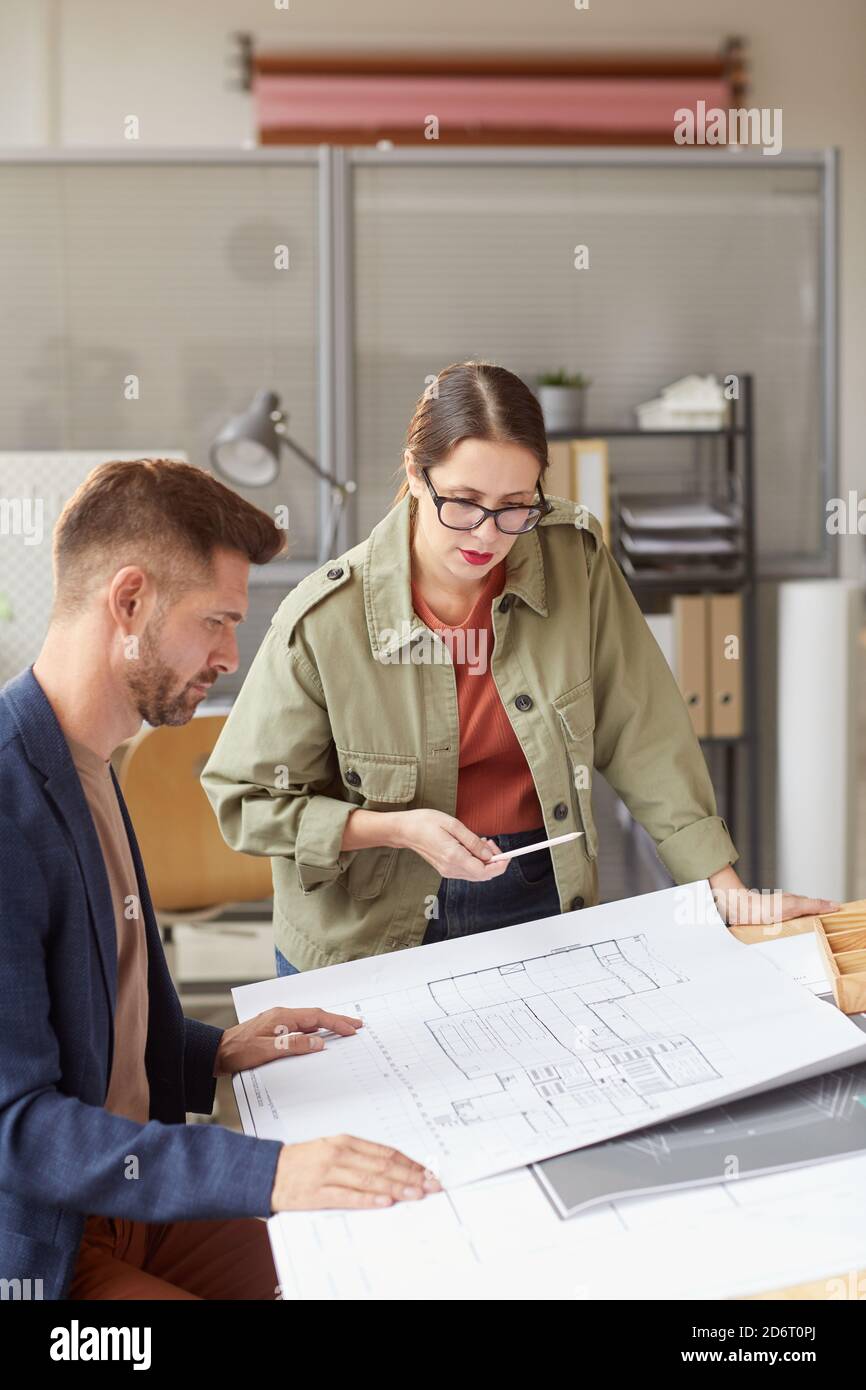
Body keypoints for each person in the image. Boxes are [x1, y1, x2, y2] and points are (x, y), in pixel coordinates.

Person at [201, 361, 838, 980]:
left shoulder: (574, 558)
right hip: (364, 934)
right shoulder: (322, 619)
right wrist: (393, 828)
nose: (487, 532)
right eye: (464, 501)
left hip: (536, 897)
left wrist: (723, 890)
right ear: (416, 476)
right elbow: (245, 799)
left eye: (514, 505)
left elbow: (643, 732)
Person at [0, 458, 438, 1302]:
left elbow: (102, 1034)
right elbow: (18, 1128)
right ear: (128, 602)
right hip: (48, 1248)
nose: (231, 656)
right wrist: (266, 1172)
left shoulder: (91, 763)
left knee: (372, 1264)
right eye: (216, 622)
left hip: (134, 1200)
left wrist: (214, 1054)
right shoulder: (8, 800)